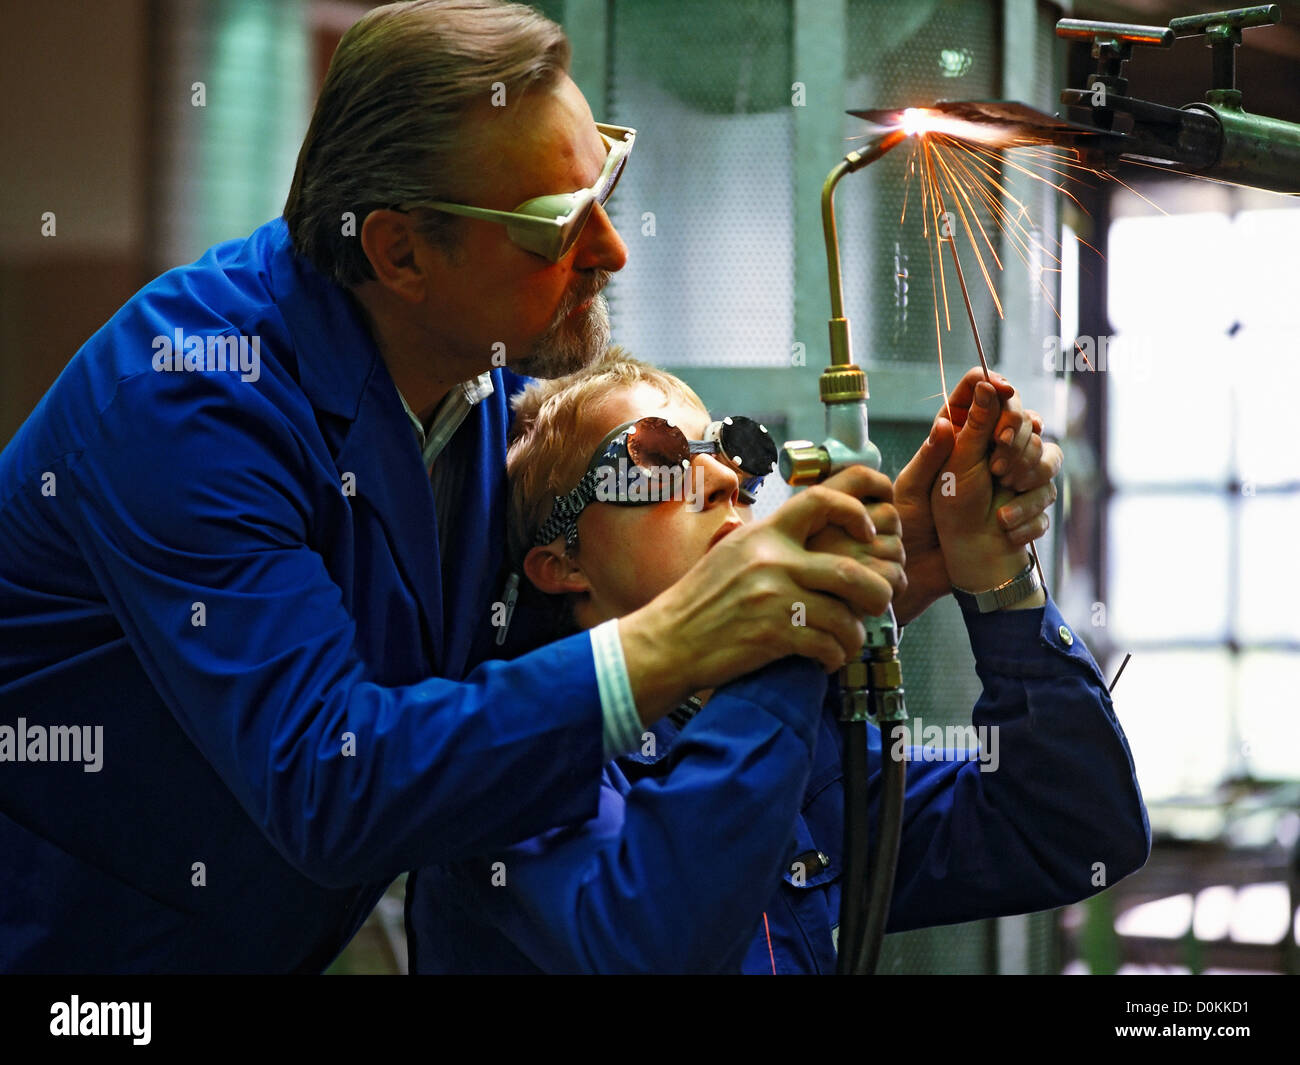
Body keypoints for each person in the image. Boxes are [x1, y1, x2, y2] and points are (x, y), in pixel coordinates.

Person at [0, 1, 1061, 973]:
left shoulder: (477, 380)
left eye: (608, 182)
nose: (610, 251)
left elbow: (498, 656)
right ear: (401, 252)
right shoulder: (188, 399)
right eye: (558, 224)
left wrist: (904, 551)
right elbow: (331, 781)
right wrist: (693, 637)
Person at [407, 350, 1150, 974]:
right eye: (657, 458)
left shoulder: (804, 755)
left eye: (734, 453)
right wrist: (795, 637)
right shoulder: (507, 767)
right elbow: (653, 935)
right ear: (560, 562)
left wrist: (994, 578)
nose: (727, 480)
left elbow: (1074, 827)